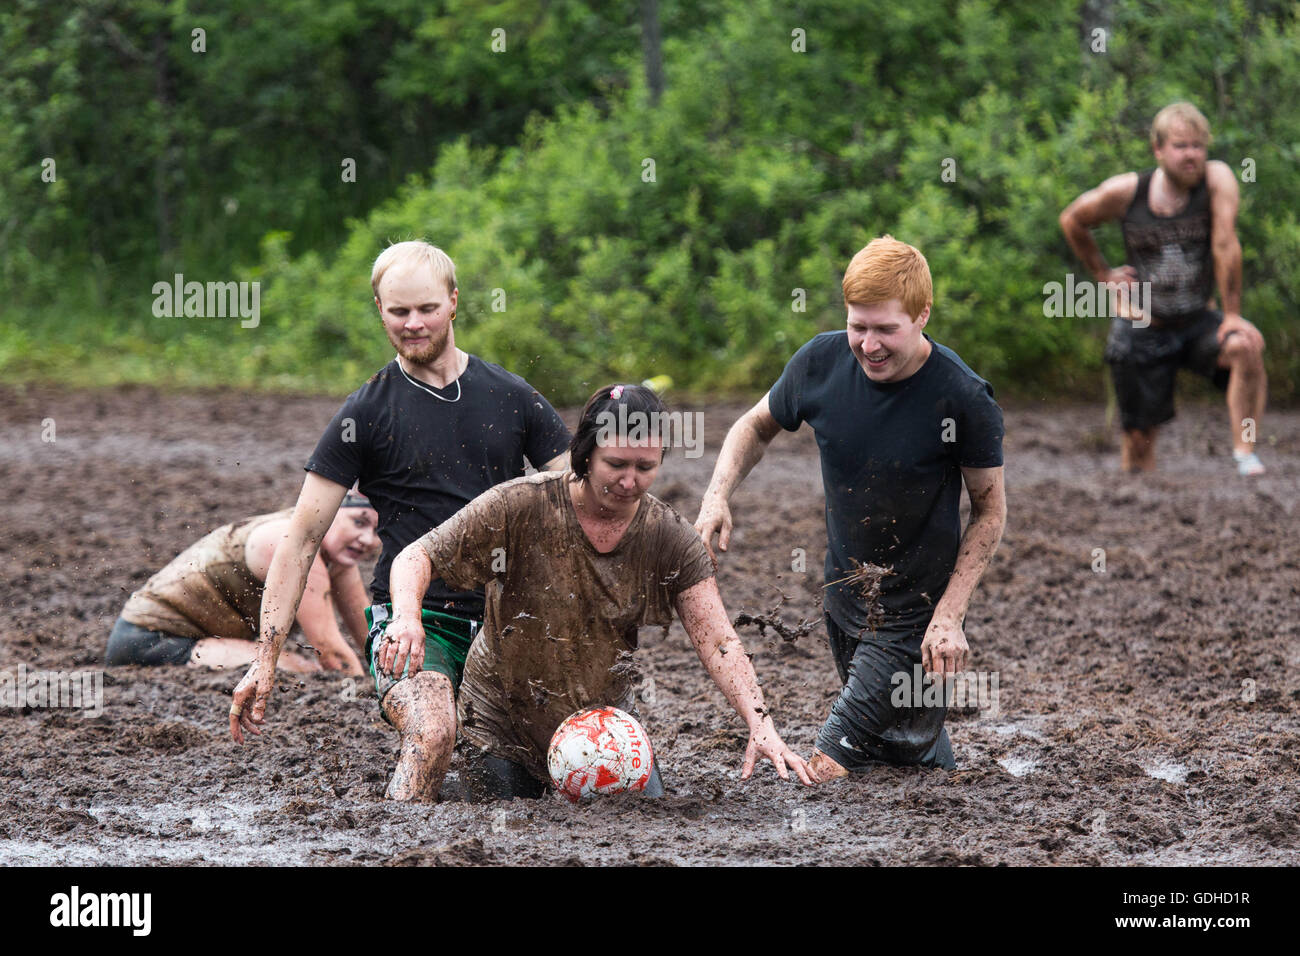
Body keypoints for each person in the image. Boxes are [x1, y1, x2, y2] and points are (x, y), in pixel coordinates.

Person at [228, 241, 571, 801]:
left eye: (427, 309)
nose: (413, 324)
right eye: (398, 312)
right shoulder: (364, 413)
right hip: (414, 624)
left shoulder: (513, 398)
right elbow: (300, 541)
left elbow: (584, 499)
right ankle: (397, 840)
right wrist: (264, 661)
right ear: (381, 311)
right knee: (433, 732)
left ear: (454, 303)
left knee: (527, 786)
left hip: (508, 624)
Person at [382, 384, 812, 800]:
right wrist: (406, 618)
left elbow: (718, 641)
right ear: (585, 455)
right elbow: (415, 557)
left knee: (643, 821)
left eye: (645, 468)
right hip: (502, 723)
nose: (629, 481)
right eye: (616, 464)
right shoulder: (520, 505)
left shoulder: (668, 536)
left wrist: (761, 724)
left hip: (605, 725)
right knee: (509, 831)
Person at [694, 236, 1006, 783]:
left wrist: (950, 615)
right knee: (900, 744)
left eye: (886, 329)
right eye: (858, 326)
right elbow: (754, 425)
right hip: (844, 597)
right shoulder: (819, 362)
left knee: (827, 764)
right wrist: (718, 493)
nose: (869, 344)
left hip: (917, 614)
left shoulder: (962, 397)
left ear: (922, 314)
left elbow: (989, 512)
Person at [1059, 101, 1268, 475]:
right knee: (1139, 446)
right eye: (1181, 145)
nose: (1192, 155)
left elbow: (1225, 243)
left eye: (1198, 146)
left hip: (1196, 319)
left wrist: (1232, 314)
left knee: (1246, 347)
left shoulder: (1216, 180)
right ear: (1158, 149)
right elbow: (1072, 219)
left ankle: (1245, 453)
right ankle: (1139, 505)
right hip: (1145, 323)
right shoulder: (1127, 192)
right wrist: (1103, 274)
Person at [106, 490, 379, 674]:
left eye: (378, 530)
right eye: (359, 522)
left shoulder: (336, 554)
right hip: (150, 640)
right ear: (328, 512)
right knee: (298, 669)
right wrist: (366, 694)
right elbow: (331, 653)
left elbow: (370, 637)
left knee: (295, 666)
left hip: (206, 637)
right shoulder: (290, 543)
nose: (369, 540)